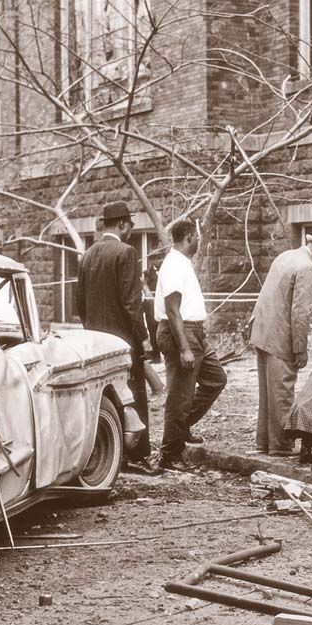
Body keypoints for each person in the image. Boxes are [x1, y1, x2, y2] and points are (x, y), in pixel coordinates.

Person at [248, 228, 312, 456]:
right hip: (281, 337)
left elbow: (266, 294)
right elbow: (300, 314)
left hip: (263, 332)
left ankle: (265, 442)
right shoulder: (307, 268)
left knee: (267, 394)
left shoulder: (286, 256)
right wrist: (300, 349)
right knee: (282, 392)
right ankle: (280, 445)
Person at [76, 202, 156, 471]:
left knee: (104, 398)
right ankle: (137, 456)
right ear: (122, 224)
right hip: (123, 341)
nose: (131, 230)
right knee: (134, 396)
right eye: (130, 225)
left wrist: (92, 331)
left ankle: (112, 453)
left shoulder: (87, 255)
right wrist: (143, 338)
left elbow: (80, 304)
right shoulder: (126, 253)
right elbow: (132, 303)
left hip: (94, 342)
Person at [154, 219, 227, 471]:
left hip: (196, 332)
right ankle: (170, 454)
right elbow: (172, 310)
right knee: (179, 396)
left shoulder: (183, 263)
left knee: (216, 379)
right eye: (196, 236)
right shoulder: (173, 264)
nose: (198, 241)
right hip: (181, 333)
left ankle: (181, 427)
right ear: (187, 236)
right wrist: (184, 348)